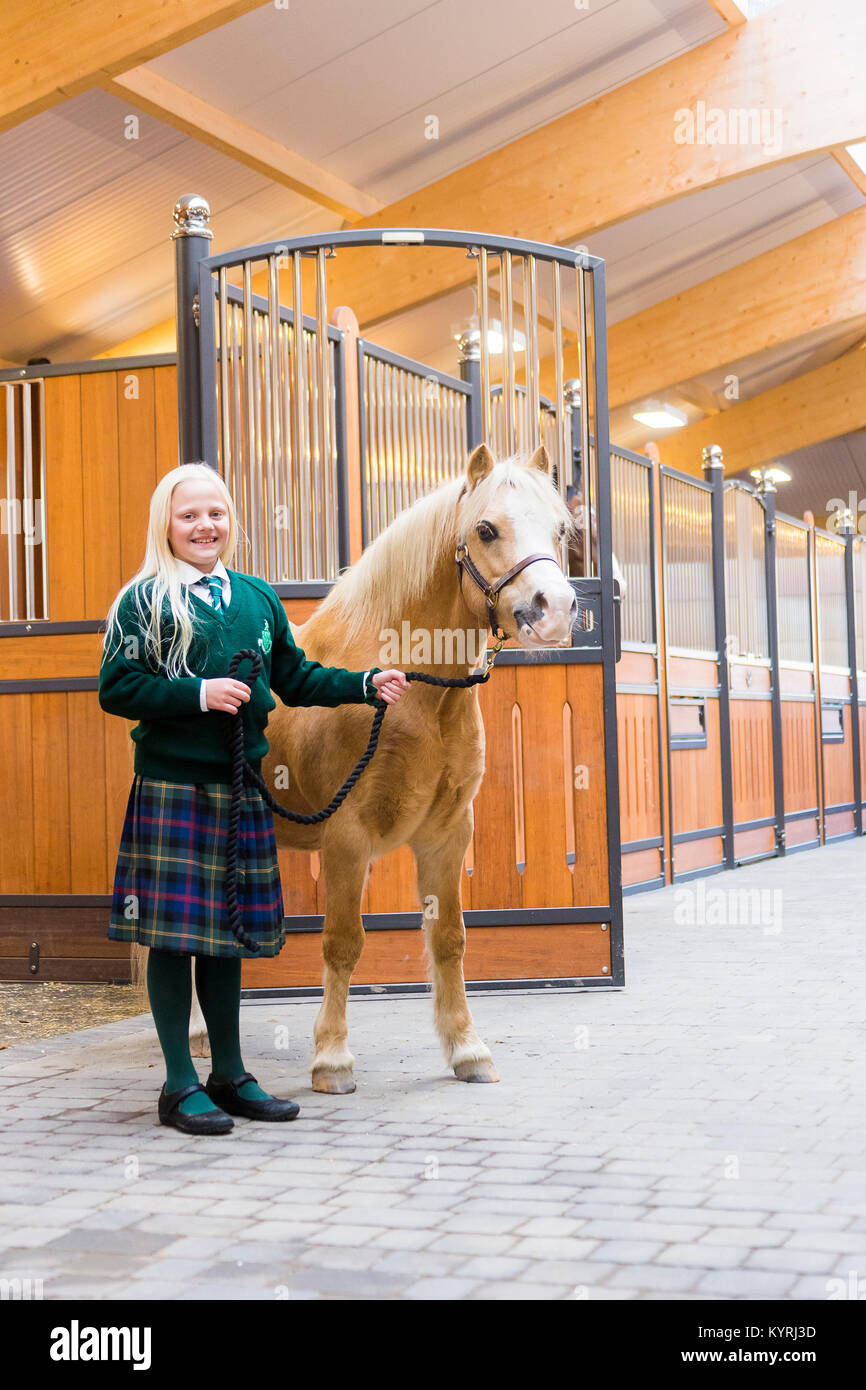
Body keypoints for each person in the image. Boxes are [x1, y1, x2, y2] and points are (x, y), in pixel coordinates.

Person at [99, 462, 409, 1135]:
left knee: (225, 938)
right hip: (173, 787)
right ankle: (180, 1085)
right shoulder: (144, 600)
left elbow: (295, 676)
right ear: (167, 525)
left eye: (216, 513)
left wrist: (363, 684)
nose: (206, 525)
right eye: (190, 516)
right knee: (172, 938)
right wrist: (198, 694)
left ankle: (230, 1075)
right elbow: (116, 687)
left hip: (240, 788)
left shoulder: (257, 599)